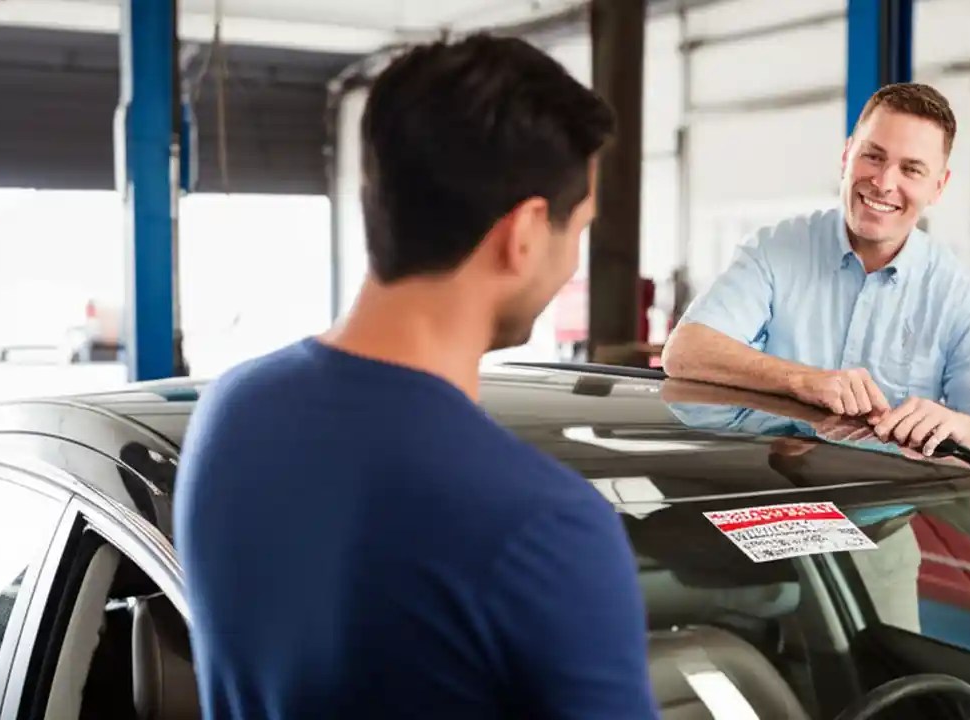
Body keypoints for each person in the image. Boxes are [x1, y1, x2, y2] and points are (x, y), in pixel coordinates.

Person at [173, 34, 659, 719]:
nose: (572, 261)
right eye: (577, 229)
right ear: (523, 233)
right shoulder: (541, 525)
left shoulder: (231, 412)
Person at [662, 82, 970, 474]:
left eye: (911, 169)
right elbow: (684, 353)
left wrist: (958, 426)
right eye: (873, 157)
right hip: (755, 495)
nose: (884, 182)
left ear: (938, 186)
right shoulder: (776, 249)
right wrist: (804, 382)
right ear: (847, 156)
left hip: (877, 517)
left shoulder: (962, 297)